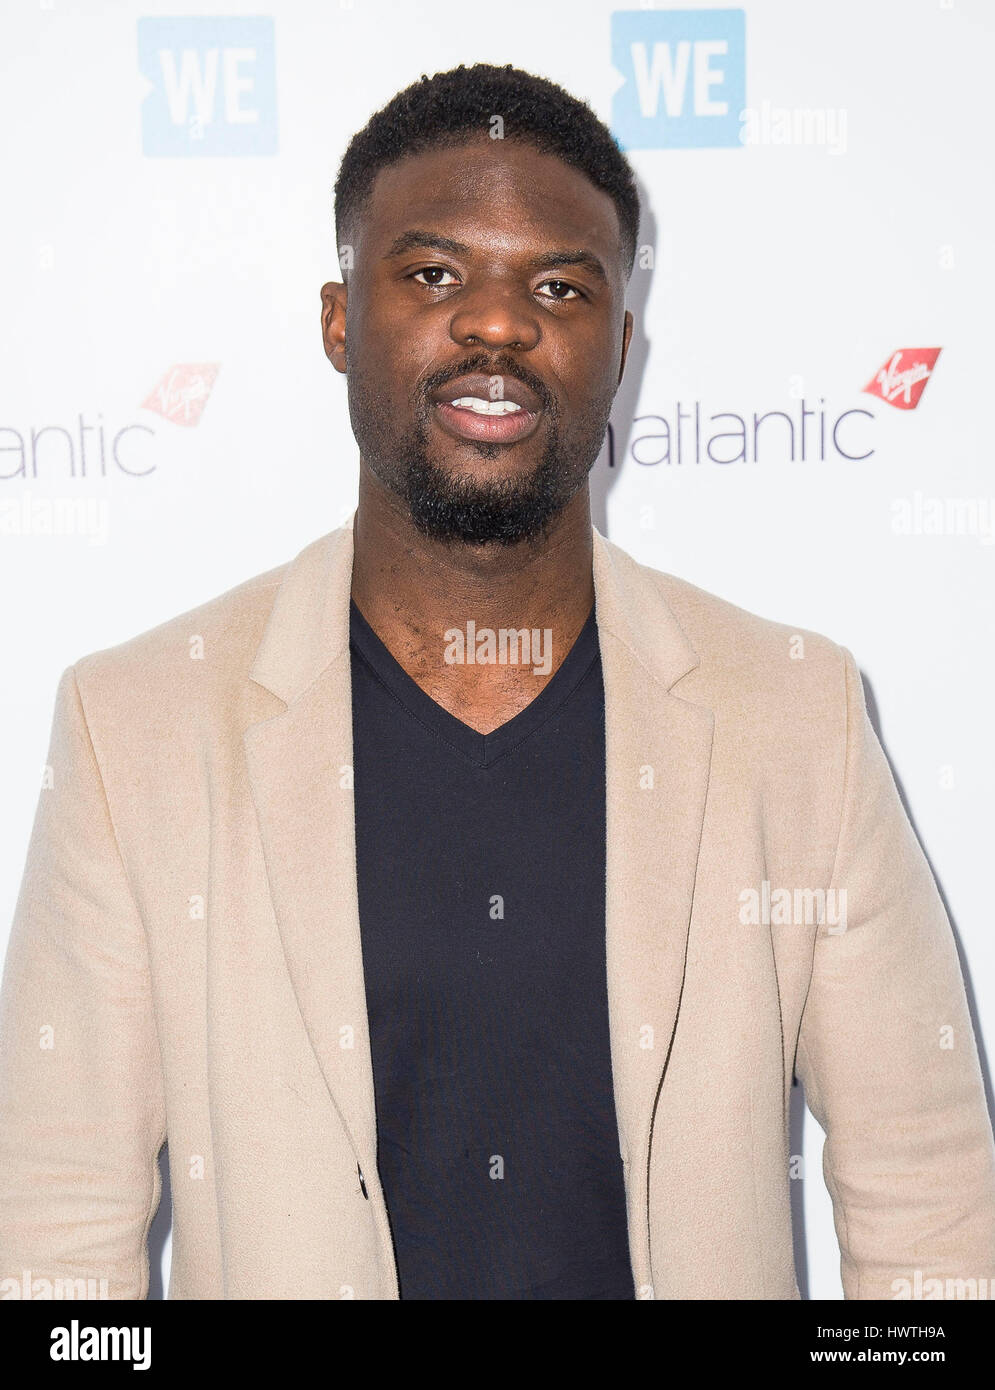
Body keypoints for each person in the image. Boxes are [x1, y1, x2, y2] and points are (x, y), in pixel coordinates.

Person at [1, 62, 993, 1302]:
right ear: (336, 318)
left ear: (620, 346)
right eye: (431, 275)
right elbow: (54, 1252)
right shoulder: (133, 728)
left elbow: (929, 1213)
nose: (496, 323)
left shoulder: (792, 717)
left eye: (559, 286)